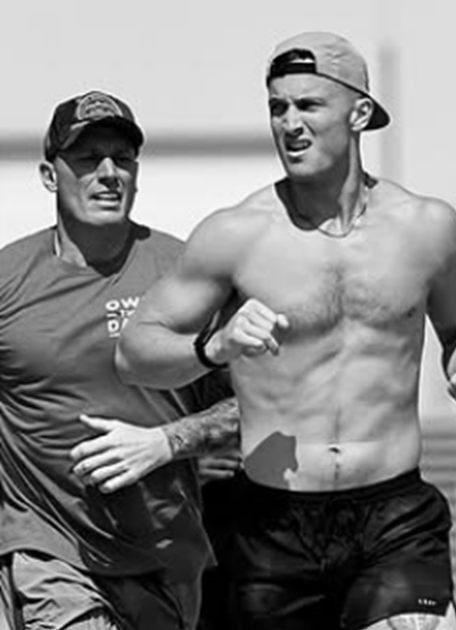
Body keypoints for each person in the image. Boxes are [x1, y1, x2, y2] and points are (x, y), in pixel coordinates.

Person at [115, 32, 456, 630]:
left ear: (360, 114)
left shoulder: (426, 228)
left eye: (308, 105)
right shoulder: (236, 234)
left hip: (393, 515)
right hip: (270, 524)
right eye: (277, 107)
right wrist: (215, 346)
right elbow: (135, 352)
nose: (289, 123)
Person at [0, 91, 240, 630]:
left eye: (123, 159)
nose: (109, 174)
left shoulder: (184, 273)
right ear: (49, 175)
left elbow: (258, 406)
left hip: (166, 559)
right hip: (50, 552)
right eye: (89, 159)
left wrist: (169, 442)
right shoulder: (7, 282)